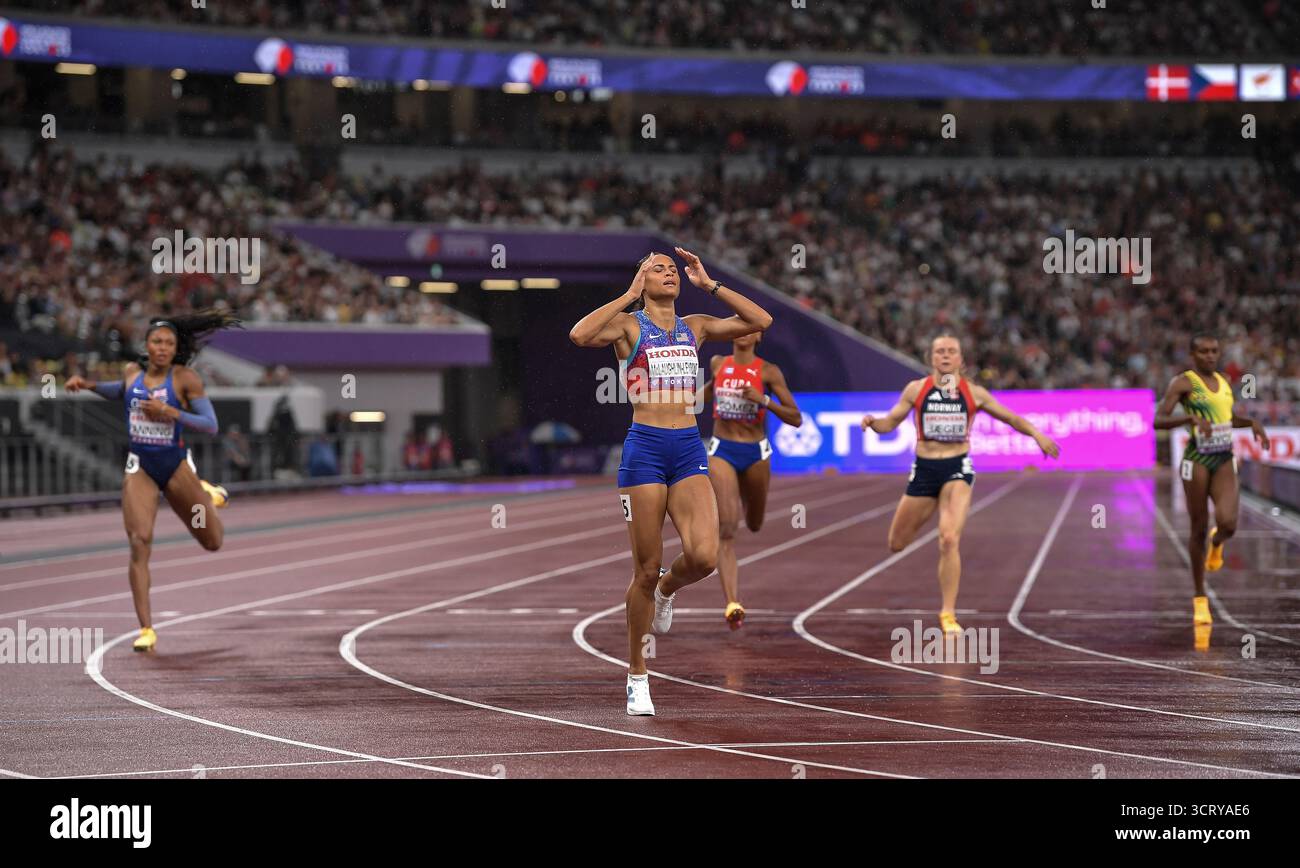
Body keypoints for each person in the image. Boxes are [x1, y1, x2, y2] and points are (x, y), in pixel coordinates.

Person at [569, 248, 772, 715]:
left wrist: (711, 285)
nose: (669, 274)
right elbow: (580, 335)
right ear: (642, 277)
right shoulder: (629, 326)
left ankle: (667, 590)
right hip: (644, 449)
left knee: (703, 555)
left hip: (687, 449)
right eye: (658, 268)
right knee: (643, 568)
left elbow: (761, 319)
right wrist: (628, 294)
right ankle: (637, 675)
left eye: (673, 269)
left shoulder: (696, 325)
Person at [860, 334, 1060, 635]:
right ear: (931, 358)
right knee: (896, 543)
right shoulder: (916, 389)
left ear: (960, 360)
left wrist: (1036, 434)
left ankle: (948, 613)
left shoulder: (974, 393)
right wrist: (874, 423)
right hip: (925, 470)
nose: (945, 356)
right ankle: (945, 604)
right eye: (940, 351)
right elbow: (890, 423)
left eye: (951, 351)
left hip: (957, 467)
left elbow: (1010, 418)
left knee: (949, 538)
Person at [65, 312, 240, 652]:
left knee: (212, 541)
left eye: (169, 344)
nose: (162, 348)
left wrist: (172, 414)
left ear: (176, 350)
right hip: (141, 466)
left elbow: (210, 425)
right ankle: (146, 628)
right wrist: (88, 385)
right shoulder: (133, 372)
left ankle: (207, 492)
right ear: (147, 345)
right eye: (157, 342)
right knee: (139, 541)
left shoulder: (185, 379)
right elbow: (120, 391)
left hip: (174, 466)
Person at [1154, 334, 1269, 627]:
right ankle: (1200, 598)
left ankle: (1217, 543)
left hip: (1222, 457)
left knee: (1229, 522)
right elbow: (1158, 420)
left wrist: (1252, 423)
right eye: (1203, 352)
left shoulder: (1224, 382)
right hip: (1196, 459)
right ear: (1193, 355)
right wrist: (1189, 420)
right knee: (1198, 528)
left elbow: (1226, 419)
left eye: (1214, 351)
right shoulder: (1184, 382)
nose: (1209, 356)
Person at [701, 331, 802, 629]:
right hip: (722, 449)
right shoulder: (718, 363)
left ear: (758, 334)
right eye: (738, 325)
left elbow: (796, 418)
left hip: (756, 452)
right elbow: (708, 391)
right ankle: (732, 603)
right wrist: (679, 401)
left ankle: (743, 495)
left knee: (755, 523)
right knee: (727, 528)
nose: (743, 331)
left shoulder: (768, 371)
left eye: (750, 326)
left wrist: (764, 400)